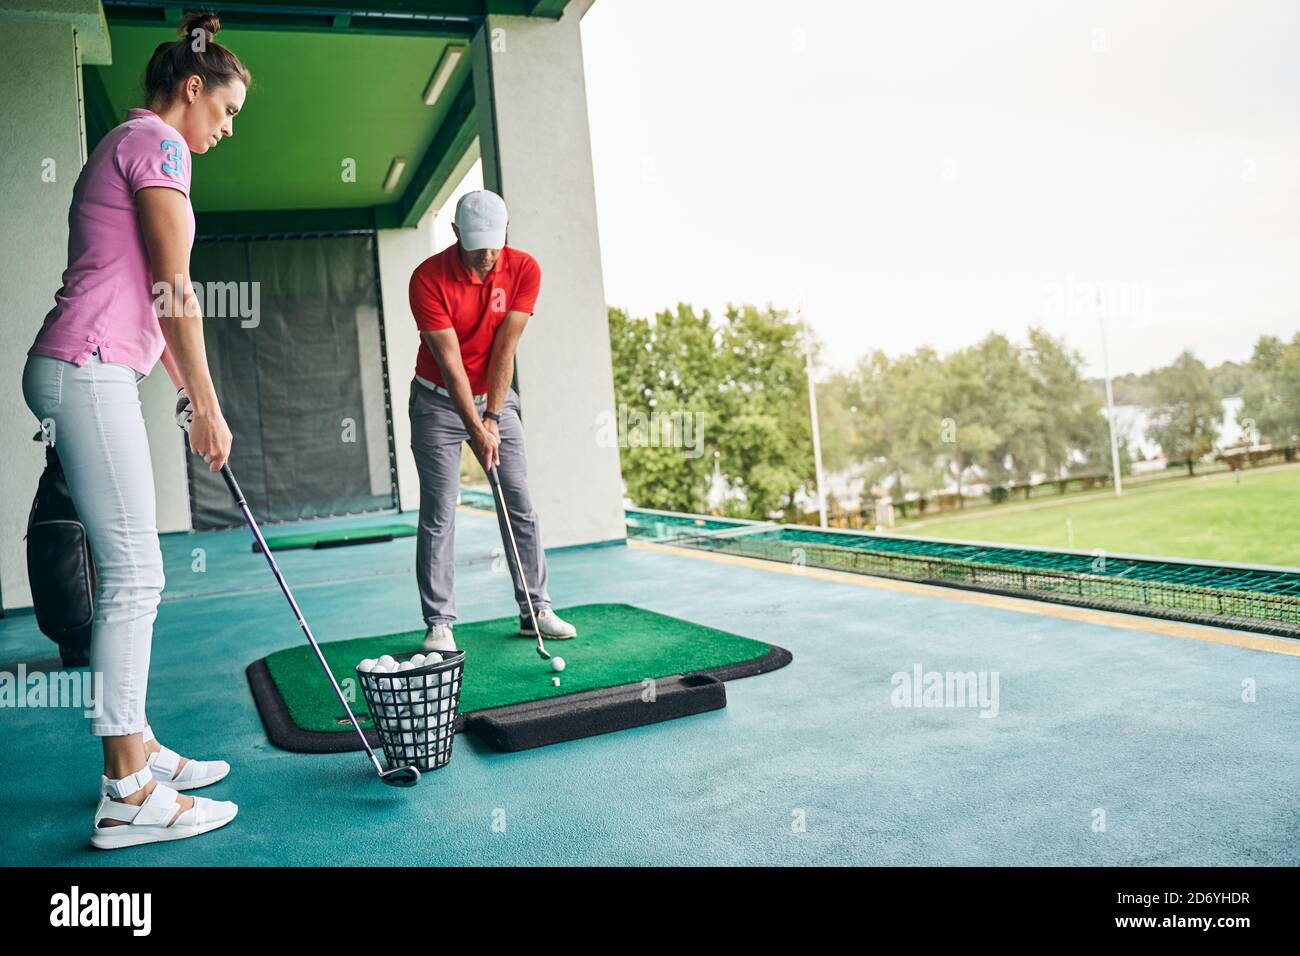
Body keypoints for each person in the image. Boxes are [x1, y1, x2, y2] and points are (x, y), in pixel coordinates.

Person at [22, 11, 248, 849]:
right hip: (87, 367)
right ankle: (125, 790)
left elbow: (150, 297)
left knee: (130, 570)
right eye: (226, 110)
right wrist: (211, 403)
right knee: (135, 575)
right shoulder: (160, 144)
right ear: (191, 89)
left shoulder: (135, 139)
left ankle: (140, 748)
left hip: (87, 366)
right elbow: (173, 284)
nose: (226, 129)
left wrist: (189, 395)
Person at [408, 189, 577, 652]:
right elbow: (451, 364)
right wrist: (476, 427)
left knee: (518, 502)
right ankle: (439, 622)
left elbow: (505, 349)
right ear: (456, 233)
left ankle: (535, 610)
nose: (485, 256)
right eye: (474, 244)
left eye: (493, 243)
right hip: (437, 400)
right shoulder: (427, 278)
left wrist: (494, 418)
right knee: (440, 512)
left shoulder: (524, 268)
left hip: (495, 398)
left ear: (506, 231)